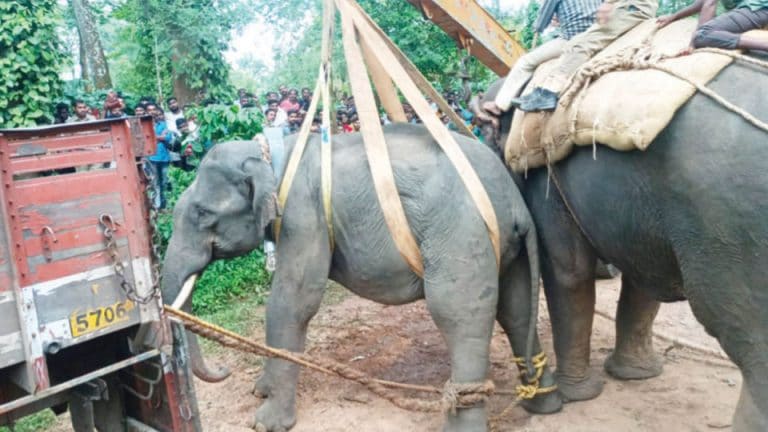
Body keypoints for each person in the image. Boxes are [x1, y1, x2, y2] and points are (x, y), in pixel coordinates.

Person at [510, 0, 658, 112]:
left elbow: (542, 20)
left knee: (580, 45)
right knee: (574, 43)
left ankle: (549, 93)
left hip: (631, 7)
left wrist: (608, 3)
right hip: (628, 7)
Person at [483, 0, 603, 116]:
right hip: (599, 38)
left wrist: (540, 26)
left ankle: (499, 105)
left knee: (525, 62)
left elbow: (541, 22)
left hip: (572, 40)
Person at [657, 0, 768, 51]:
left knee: (704, 34)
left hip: (758, 8)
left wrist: (693, 43)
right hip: (759, 10)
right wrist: (673, 17)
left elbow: (710, 2)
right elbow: (703, 2)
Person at [146, 107, 173, 210]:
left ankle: (166, 204)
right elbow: (146, 137)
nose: (156, 117)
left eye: (158, 115)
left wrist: (154, 137)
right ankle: (156, 205)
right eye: (154, 115)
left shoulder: (164, 125)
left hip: (164, 157)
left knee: (165, 181)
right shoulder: (147, 126)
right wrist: (159, 136)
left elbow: (168, 137)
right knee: (154, 181)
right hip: (151, 158)